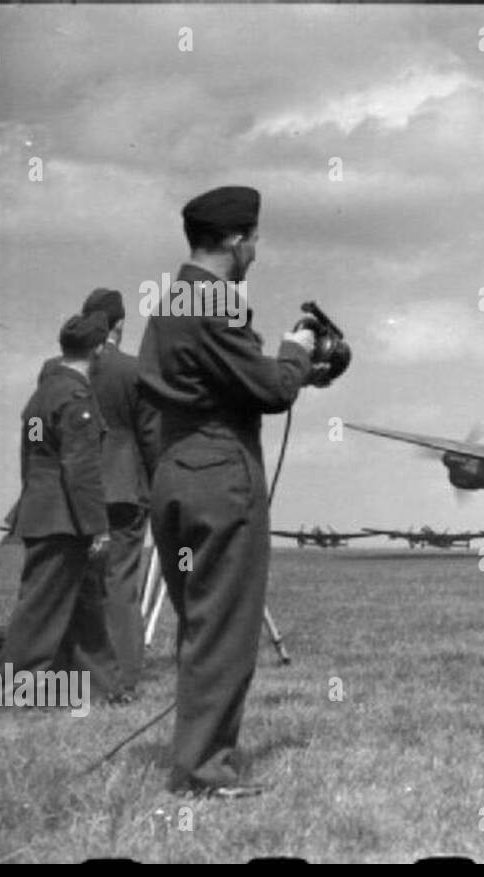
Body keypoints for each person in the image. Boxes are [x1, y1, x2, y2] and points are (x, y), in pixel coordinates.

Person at [138, 185, 314, 798]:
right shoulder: (215, 301)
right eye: (255, 239)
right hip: (220, 473)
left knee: (201, 622)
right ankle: (204, 773)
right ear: (237, 241)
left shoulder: (170, 301)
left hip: (175, 467)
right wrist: (297, 352)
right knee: (226, 629)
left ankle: (197, 757)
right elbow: (270, 391)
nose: (257, 251)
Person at [0, 310, 127, 702]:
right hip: (65, 520)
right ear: (99, 348)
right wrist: (98, 528)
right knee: (40, 609)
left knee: (87, 605)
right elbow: (80, 470)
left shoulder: (42, 395)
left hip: (43, 511)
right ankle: (10, 688)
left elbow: (31, 459)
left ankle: (103, 688)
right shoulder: (76, 398)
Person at [86, 288, 160, 694]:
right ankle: (125, 677)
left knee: (81, 584)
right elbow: (152, 438)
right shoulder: (134, 371)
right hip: (125, 486)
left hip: (77, 486)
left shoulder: (65, 368)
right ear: (119, 325)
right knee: (121, 583)